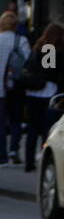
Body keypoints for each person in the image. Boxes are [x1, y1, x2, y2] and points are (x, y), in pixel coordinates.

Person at [20, 23, 64, 172]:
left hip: (33, 93)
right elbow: (49, 71)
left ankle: (30, 161)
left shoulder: (38, 46)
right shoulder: (49, 49)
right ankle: (43, 161)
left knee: (33, 129)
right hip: (45, 93)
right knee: (45, 129)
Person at [0, 11, 29, 165]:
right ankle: (14, 150)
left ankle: (1, 155)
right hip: (16, 86)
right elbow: (28, 62)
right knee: (16, 120)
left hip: (0, 88)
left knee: (1, 122)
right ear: (15, 25)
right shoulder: (21, 40)